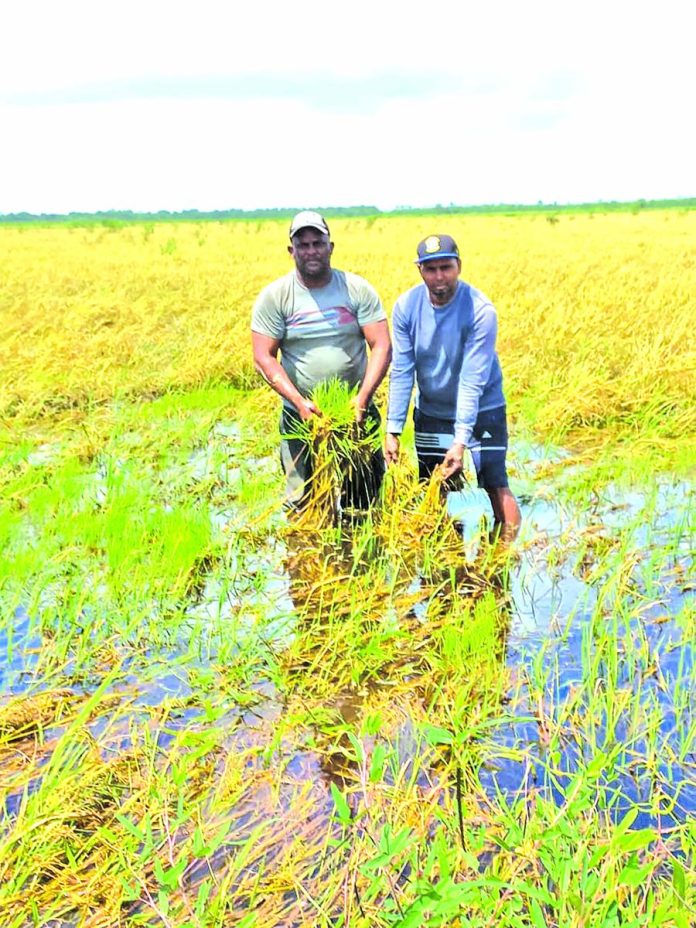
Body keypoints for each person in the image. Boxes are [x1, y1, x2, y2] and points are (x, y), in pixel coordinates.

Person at [251, 210, 392, 515]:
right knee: (303, 505)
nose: (311, 251)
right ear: (291, 251)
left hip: (355, 413)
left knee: (363, 503)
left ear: (331, 246)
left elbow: (381, 344)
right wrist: (299, 402)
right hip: (299, 417)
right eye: (303, 245)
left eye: (318, 243)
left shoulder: (356, 289)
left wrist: (362, 399)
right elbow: (263, 357)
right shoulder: (276, 297)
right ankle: (308, 562)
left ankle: (359, 559)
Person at [385, 234, 521, 542]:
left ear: (459, 266)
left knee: (494, 482)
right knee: (434, 487)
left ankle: (506, 559)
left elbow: (472, 380)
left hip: (484, 408)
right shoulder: (406, 307)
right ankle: (443, 564)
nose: (439, 277)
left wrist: (460, 441)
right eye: (430, 269)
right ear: (419, 270)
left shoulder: (480, 310)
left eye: (446, 267)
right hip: (432, 409)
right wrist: (392, 430)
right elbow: (403, 369)